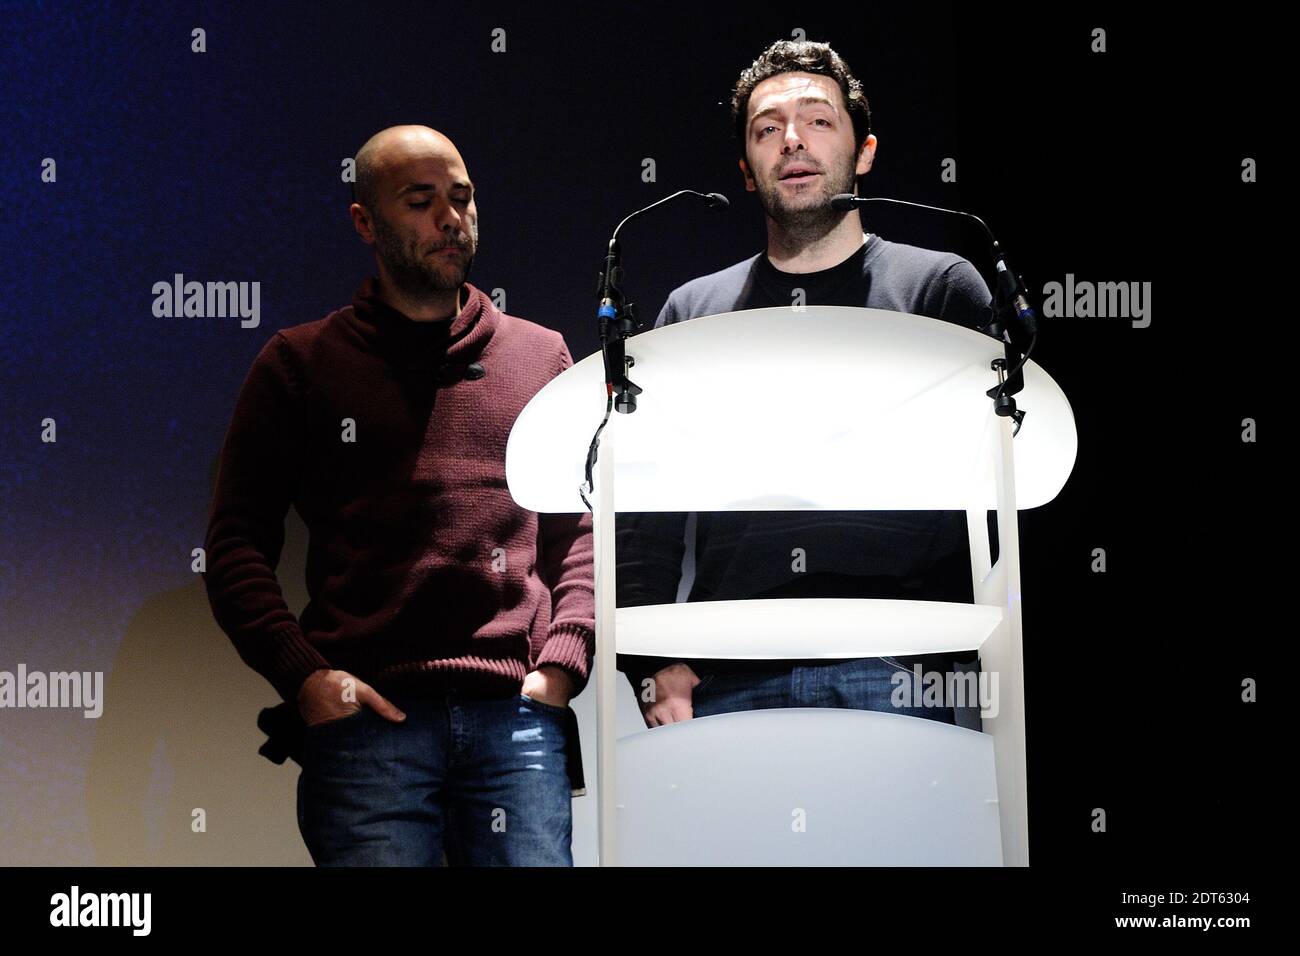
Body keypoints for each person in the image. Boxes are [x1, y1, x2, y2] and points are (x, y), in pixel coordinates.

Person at [202, 125, 595, 866]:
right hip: (367, 727)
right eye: (421, 202)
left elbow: (578, 532)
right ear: (365, 222)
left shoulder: (541, 356)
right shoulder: (302, 364)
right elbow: (233, 546)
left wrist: (562, 662)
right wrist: (306, 678)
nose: (451, 218)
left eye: (463, 198)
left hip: (516, 718)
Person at [617, 40, 991, 728]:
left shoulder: (937, 289)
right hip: (728, 675)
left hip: (901, 669)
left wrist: (967, 656)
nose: (792, 140)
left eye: (818, 120)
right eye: (767, 129)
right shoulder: (693, 315)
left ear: (865, 149)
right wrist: (651, 664)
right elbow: (646, 514)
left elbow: (996, 493)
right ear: (746, 169)